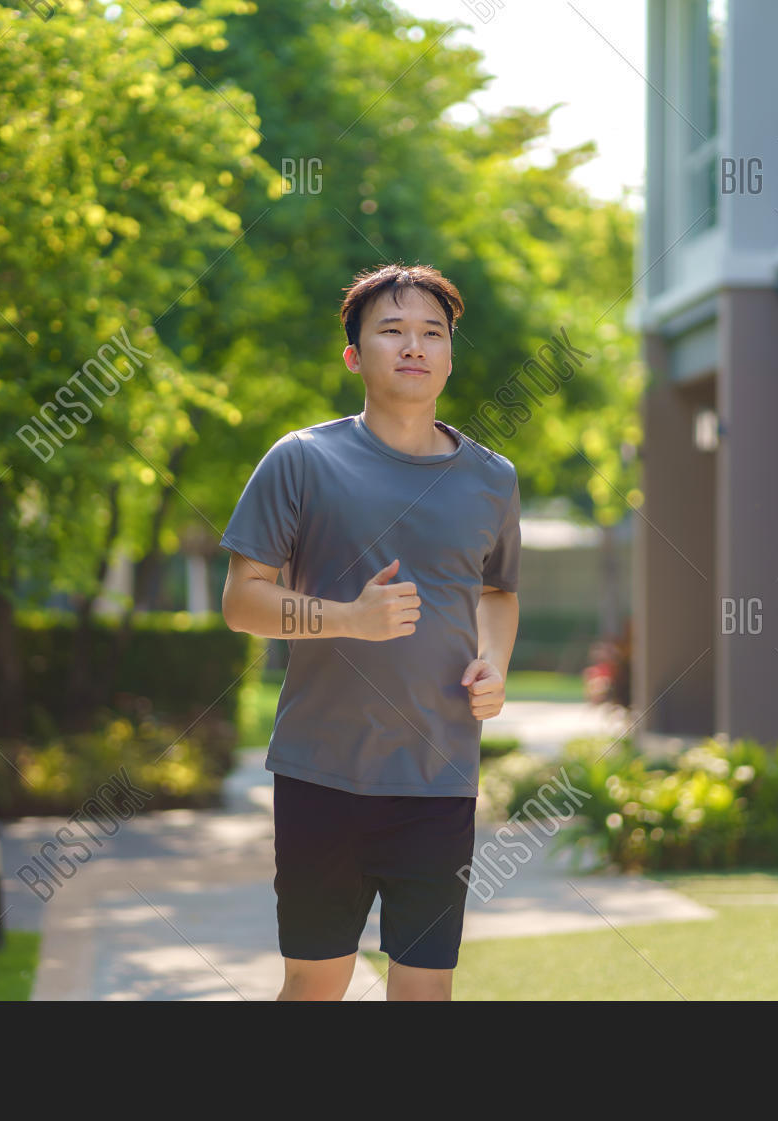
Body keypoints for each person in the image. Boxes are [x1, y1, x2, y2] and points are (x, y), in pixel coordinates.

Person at [219, 262, 522, 1001]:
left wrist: (493, 664)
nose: (413, 346)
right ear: (355, 354)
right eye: (391, 331)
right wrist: (347, 619)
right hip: (324, 775)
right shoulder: (302, 459)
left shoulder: (492, 478)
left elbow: (499, 590)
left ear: (450, 355)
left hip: (439, 777)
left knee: (425, 993)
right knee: (317, 985)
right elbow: (242, 600)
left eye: (431, 333)